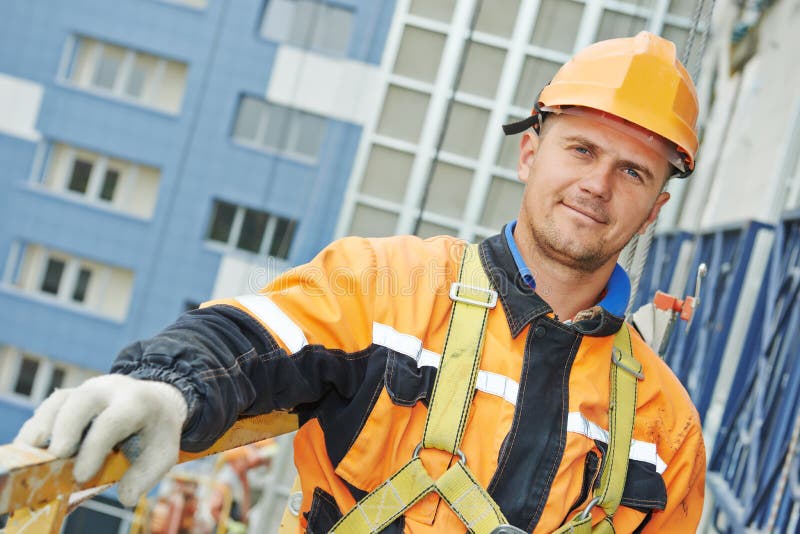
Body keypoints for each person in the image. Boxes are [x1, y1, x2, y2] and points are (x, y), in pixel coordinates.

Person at [15, 31, 706, 533]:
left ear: (656, 209)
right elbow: (254, 338)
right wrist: (168, 389)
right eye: (581, 149)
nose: (597, 184)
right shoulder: (391, 288)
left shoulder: (665, 430)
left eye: (633, 171)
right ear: (530, 153)